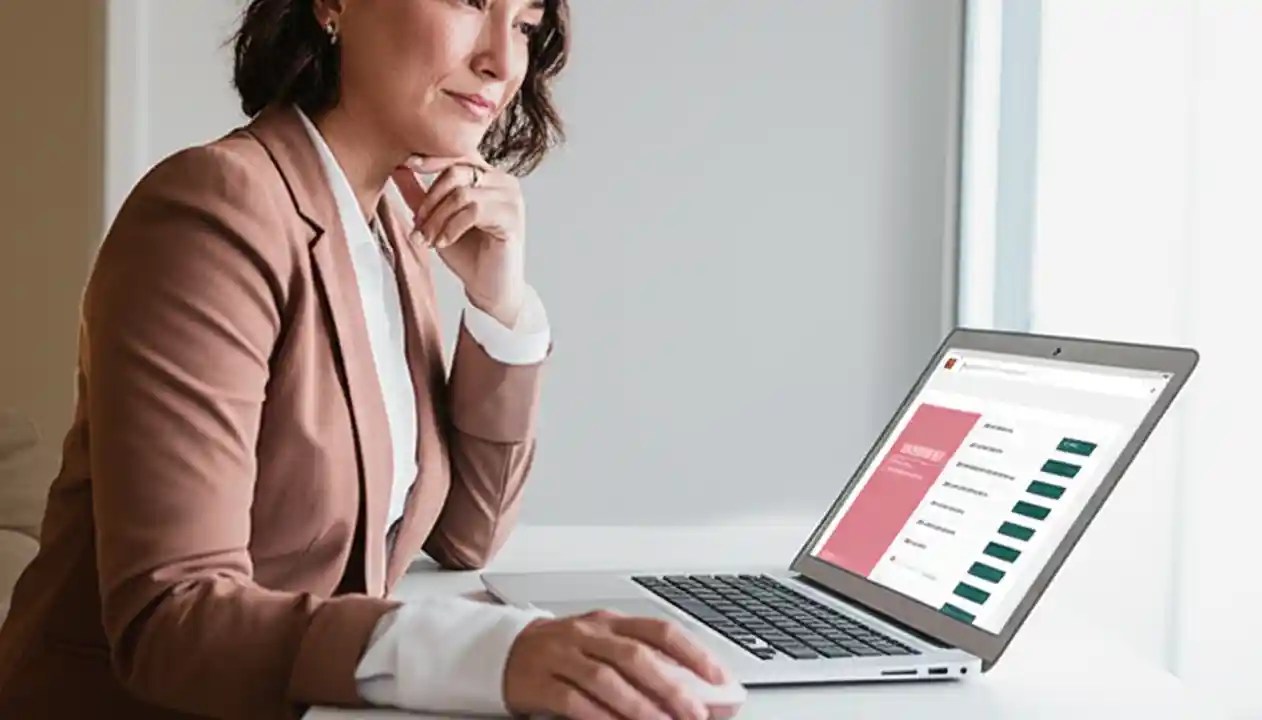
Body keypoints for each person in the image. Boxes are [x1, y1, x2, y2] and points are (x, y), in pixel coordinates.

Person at [0, 1, 734, 718]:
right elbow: (173, 617)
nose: (502, 61)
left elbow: (463, 534)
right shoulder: (213, 211)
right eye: (468, 3)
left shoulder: (390, 226)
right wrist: (490, 654)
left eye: (525, 25)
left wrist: (500, 303)